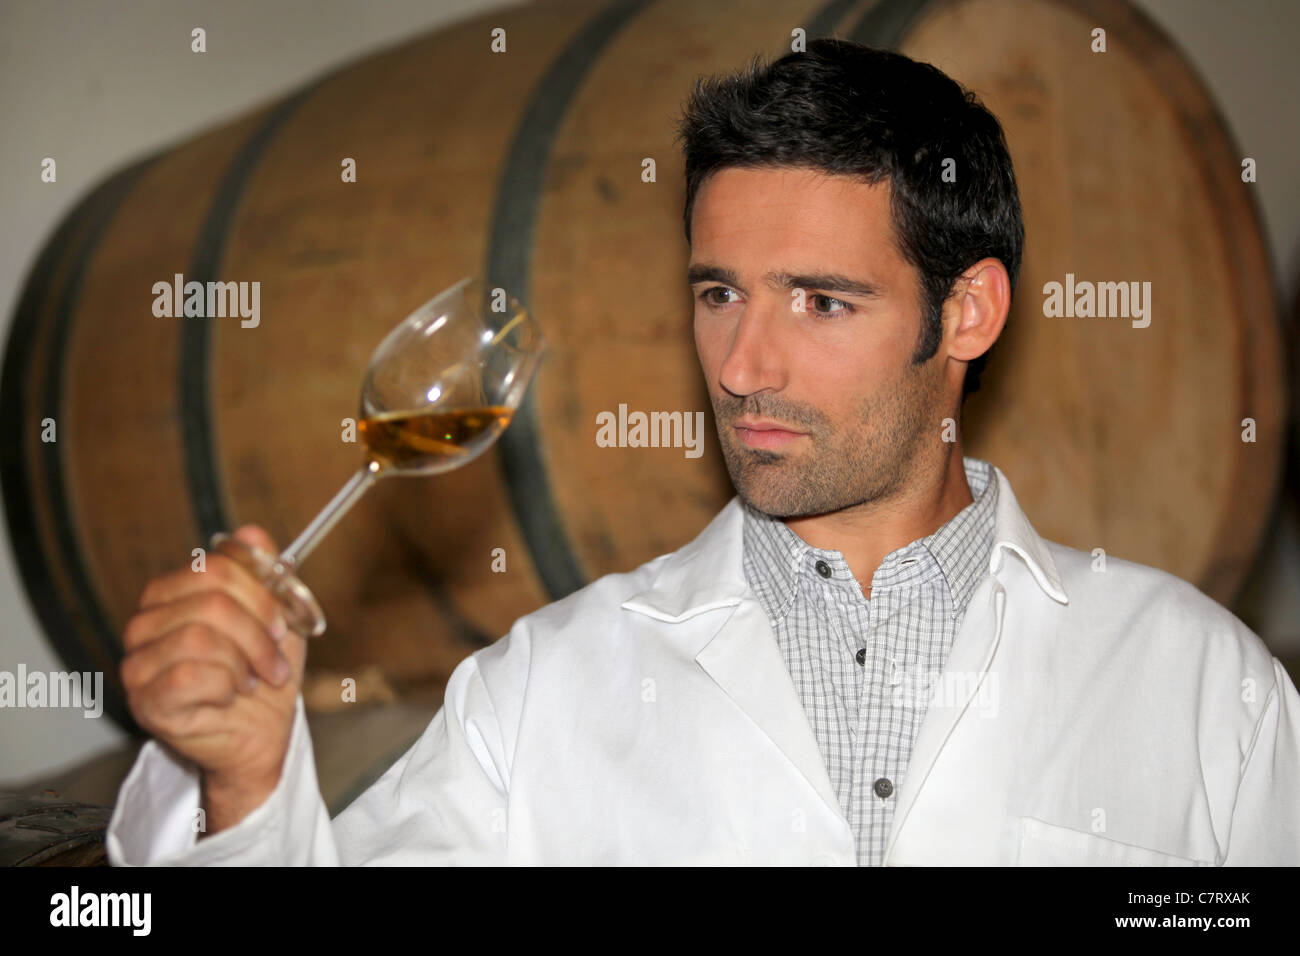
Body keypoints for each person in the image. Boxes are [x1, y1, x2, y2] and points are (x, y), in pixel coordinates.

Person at [106, 38, 1300, 866]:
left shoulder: (1204, 684)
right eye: (719, 291)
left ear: (969, 313)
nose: (741, 366)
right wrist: (249, 782)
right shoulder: (541, 690)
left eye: (820, 302)